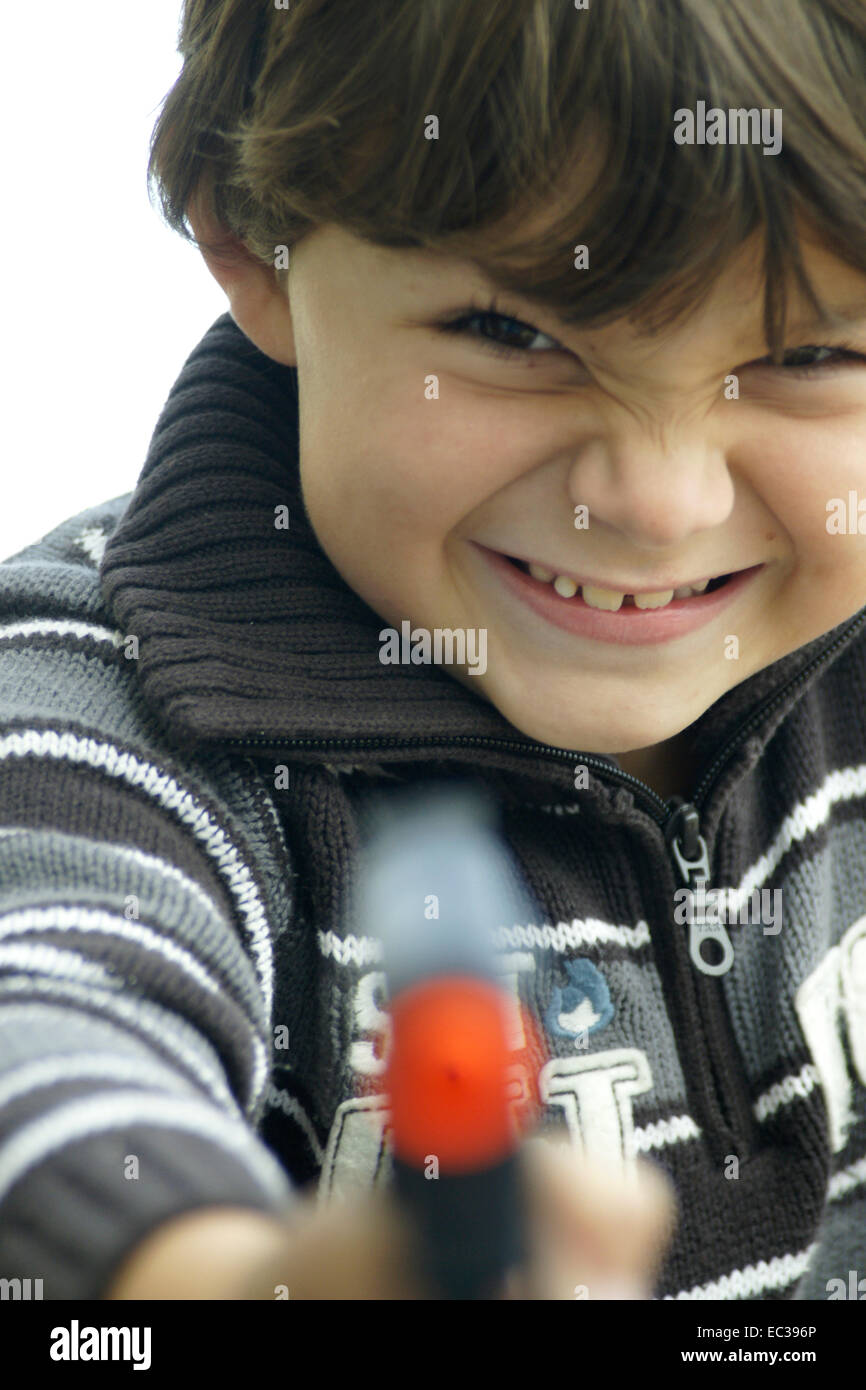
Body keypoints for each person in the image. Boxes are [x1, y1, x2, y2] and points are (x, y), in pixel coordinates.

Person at [1, 0, 865, 1301]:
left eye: (811, 354)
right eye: (515, 337)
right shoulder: (91, 725)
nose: (653, 501)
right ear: (252, 239)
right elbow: (45, 1026)